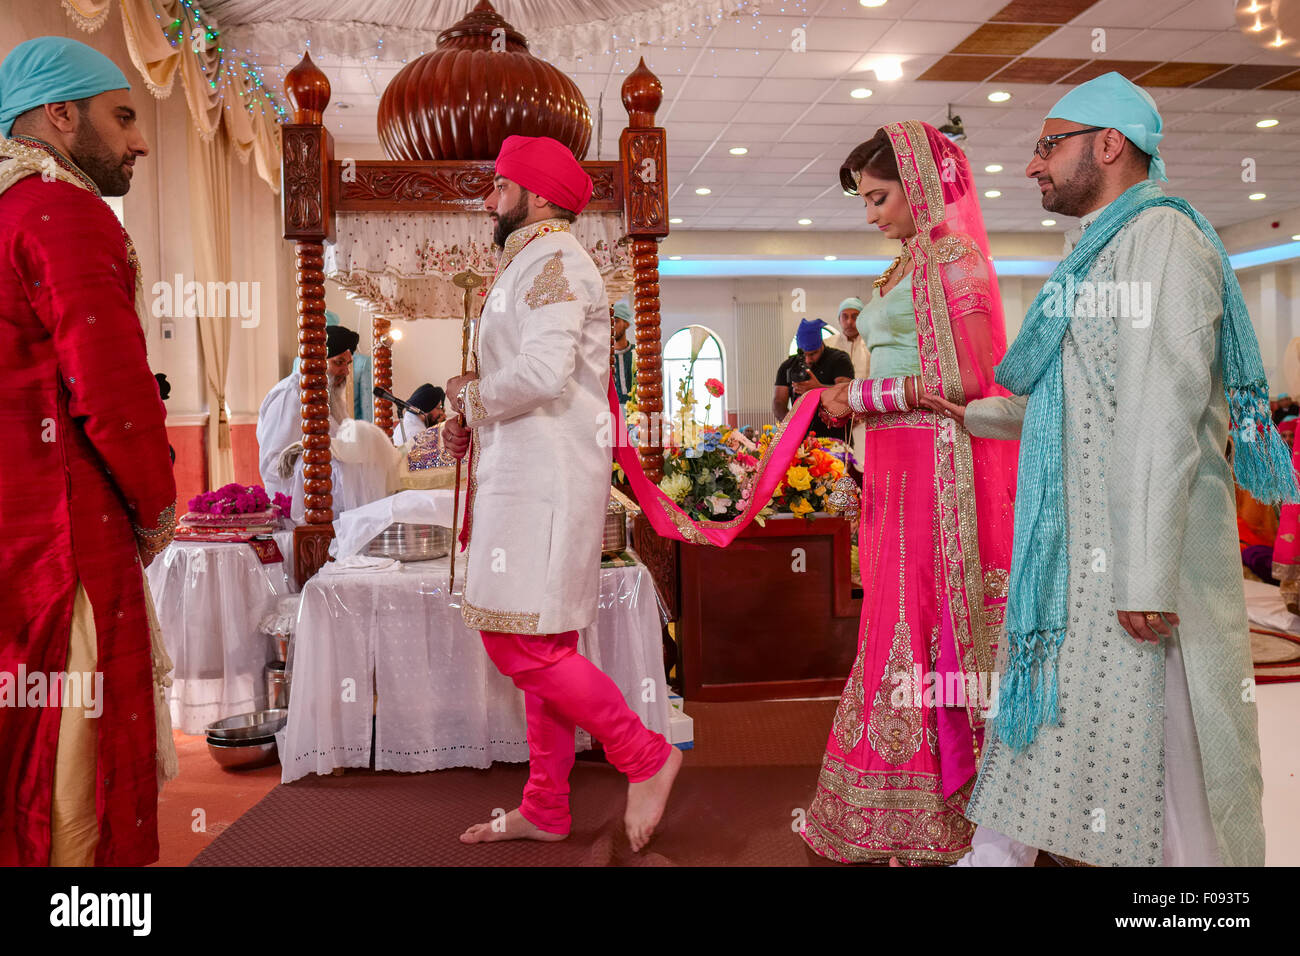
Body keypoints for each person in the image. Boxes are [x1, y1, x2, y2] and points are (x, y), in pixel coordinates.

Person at [926, 72, 1290, 867]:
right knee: (1091, 734)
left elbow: (1162, 410)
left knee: (1180, 759)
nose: (1032, 166)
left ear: (1109, 144)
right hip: (1090, 553)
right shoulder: (1100, 249)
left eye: (1046, 146)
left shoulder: (1161, 239)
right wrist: (975, 413)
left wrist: (1147, 575)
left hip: (1144, 559)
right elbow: (1080, 395)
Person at [441, 134, 681, 852]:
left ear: (536, 194)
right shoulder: (531, 263)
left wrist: (470, 395)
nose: (489, 198)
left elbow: (544, 374)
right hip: (525, 474)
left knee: (518, 641)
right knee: (539, 642)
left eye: (499, 185)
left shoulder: (552, 260)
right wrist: (469, 422)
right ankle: (546, 806)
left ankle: (644, 754)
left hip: (543, 484)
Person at [800, 121, 1017, 865]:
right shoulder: (905, 265)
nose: (870, 214)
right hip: (893, 458)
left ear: (918, 184)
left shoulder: (953, 260)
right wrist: (859, 399)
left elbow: (963, 383)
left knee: (920, 613)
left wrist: (862, 395)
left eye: (878, 196)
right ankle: (890, 799)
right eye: (863, 200)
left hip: (933, 458)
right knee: (889, 608)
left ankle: (941, 804)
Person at [0, 36, 178, 866]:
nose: (138, 141)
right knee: (80, 761)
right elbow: (112, 393)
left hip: (18, 537)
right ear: (60, 116)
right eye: (123, 116)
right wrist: (157, 512)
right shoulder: (58, 211)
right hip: (67, 537)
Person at [259, 324, 395, 520]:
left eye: (347, 364)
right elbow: (273, 465)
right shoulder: (290, 395)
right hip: (298, 511)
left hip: (327, 504)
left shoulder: (329, 397)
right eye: (338, 363)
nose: (346, 372)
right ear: (318, 362)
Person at [773, 318, 854, 444]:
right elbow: (778, 402)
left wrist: (818, 388)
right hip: (802, 438)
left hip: (836, 438)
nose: (807, 360)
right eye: (803, 354)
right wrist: (791, 425)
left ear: (821, 344)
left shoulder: (839, 360)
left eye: (812, 354)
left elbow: (846, 394)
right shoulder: (788, 366)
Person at [827, 296, 869, 468]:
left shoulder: (872, 345)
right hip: (834, 419)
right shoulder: (828, 345)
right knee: (833, 468)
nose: (850, 321)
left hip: (864, 418)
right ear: (839, 319)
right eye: (845, 316)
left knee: (862, 466)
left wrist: (864, 411)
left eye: (855, 316)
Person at [611, 300, 636, 404]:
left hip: (636, 412)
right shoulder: (605, 356)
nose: (612, 326)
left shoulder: (637, 353)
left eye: (616, 321)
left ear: (626, 324)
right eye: (610, 322)